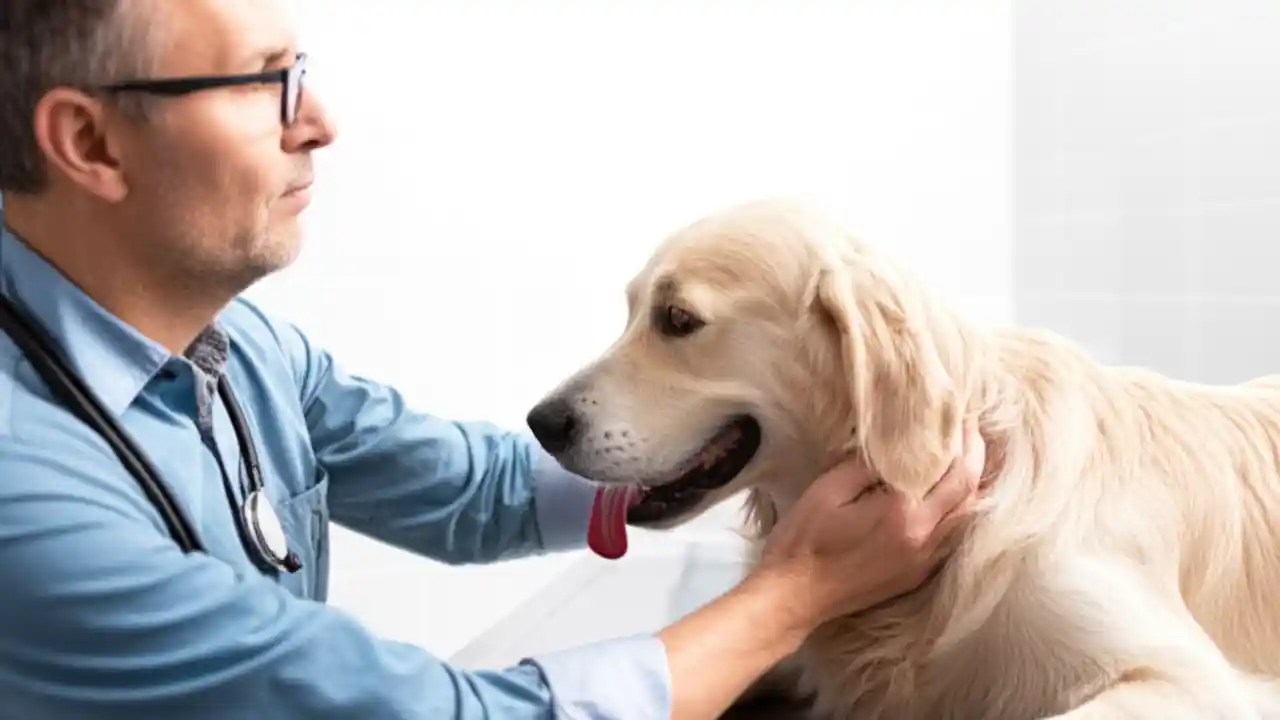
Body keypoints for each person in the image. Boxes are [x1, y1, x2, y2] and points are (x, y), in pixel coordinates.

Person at [0, 1, 986, 719]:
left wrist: (731, 449)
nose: (318, 121)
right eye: (265, 80)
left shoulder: (239, 350)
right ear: (91, 142)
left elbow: (480, 493)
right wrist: (792, 595)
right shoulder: (27, 494)